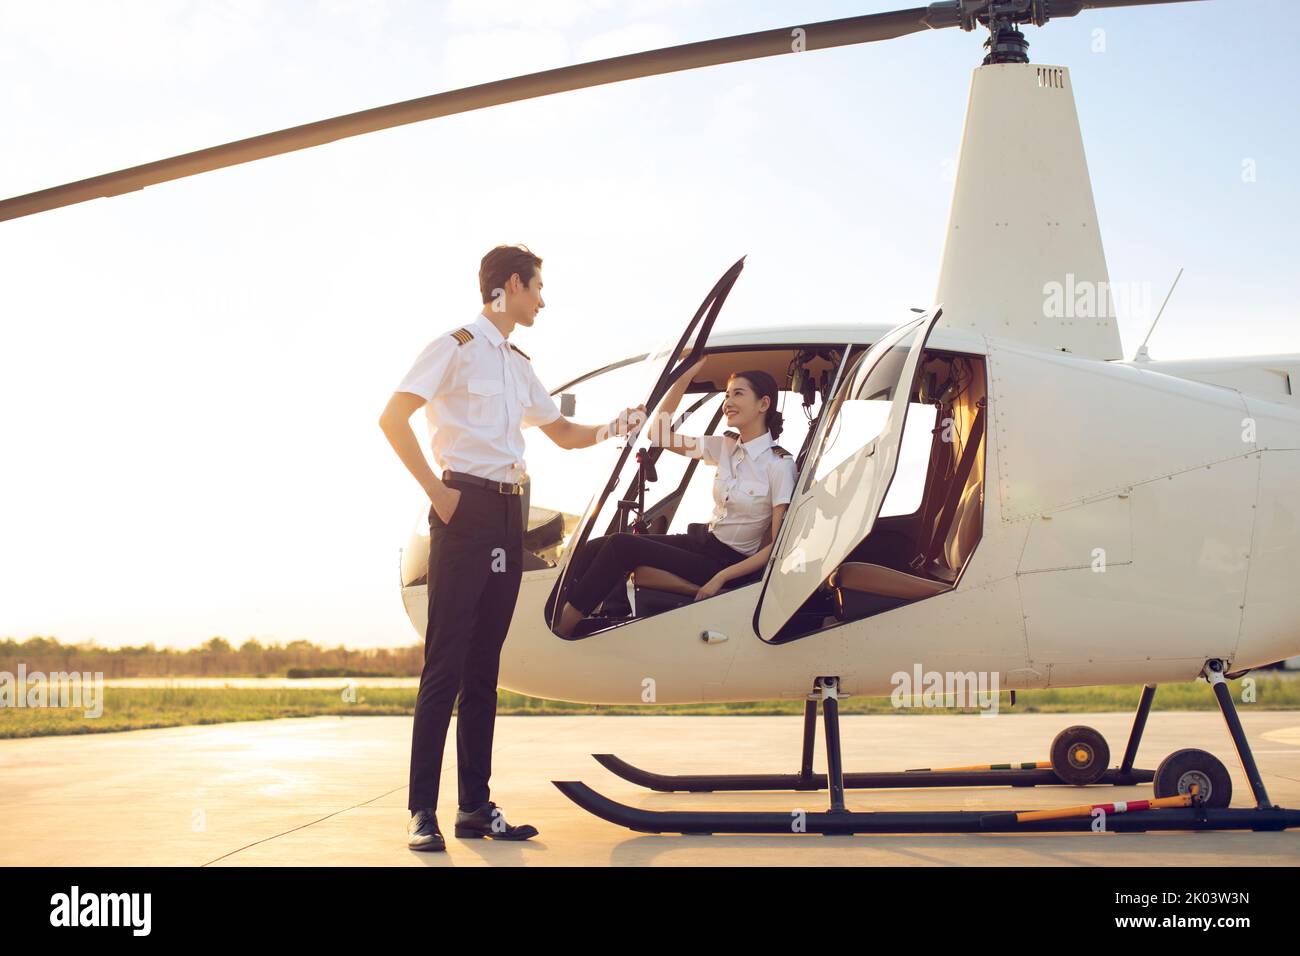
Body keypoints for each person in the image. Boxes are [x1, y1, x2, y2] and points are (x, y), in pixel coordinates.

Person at [378, 243, 643, 851]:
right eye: (538, 289)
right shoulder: (453, 347)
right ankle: (422, 811)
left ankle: (475, 806)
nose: (543, 301)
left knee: (484, 667)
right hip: (462, 509)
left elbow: (564, 435)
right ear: (513, 285)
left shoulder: (519, 365)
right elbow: (393, 418)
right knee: (444, 663)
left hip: (508, 514)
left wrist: (614, 426)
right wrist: (439, 497)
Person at [554, 362, 796, 638]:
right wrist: (683, 377)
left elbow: (775, 547)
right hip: (703, 542)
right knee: (596, 546)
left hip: (729, 562)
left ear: (763, 403)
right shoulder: (725, 446)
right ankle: (578, 618)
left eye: (737, 394)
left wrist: (722, 578)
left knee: (621, 546)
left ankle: (565, 629)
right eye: (726, 395)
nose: (727, 402)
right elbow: (657, 435)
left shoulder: (779, 465)